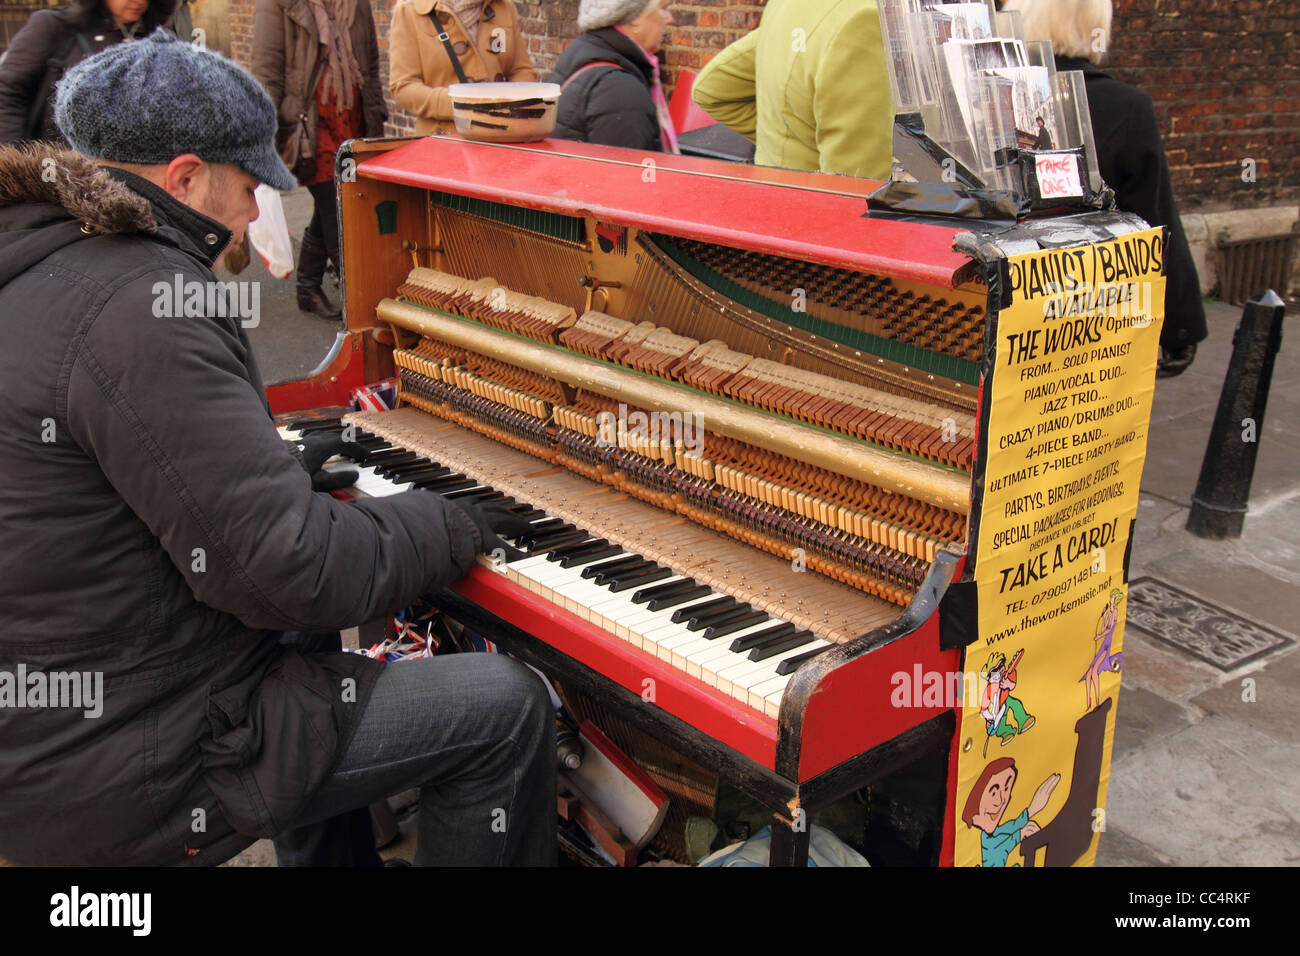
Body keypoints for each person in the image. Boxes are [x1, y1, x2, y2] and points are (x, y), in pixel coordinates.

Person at [0, 30, 555, 866]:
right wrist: (450, 523)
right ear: (184, 176)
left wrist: (267, 476)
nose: (259, 214)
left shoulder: (42, 260)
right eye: (250, 186)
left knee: (314, 655)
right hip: (128, 761)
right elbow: (289, 571)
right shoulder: (142, 300)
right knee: (503, 707)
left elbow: (134, 480)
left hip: (60, 717)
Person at [1004, 0, 1206, 377]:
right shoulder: (1127, 107)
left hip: (1004, 305)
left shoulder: (992, 96)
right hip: (1093, 316)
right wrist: (1180, 326)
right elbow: (1155, 217)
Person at [252, 0, 388, 321]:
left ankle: (307, 287)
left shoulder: (357, 4)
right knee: (339, 209)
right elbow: (267, 72)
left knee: (331, 206)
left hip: (351, 121)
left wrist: (375, 117)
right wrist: (263, 134)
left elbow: (369, 65)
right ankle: (359, 300)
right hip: (308, 127)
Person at [691, 0, 892, 179]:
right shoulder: (862, 17)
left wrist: (790, 140)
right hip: (817, 209)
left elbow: (712, 88)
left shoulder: (785, 5)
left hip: (772, 196)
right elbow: (861, 187)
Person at [0, 0, 179, 146]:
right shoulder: (54, 27)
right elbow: (8, 94)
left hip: (122, 179)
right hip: (54, 171)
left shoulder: (157, 41)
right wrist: (16, 168)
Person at [389, 0, 537, 136]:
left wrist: (509, 103)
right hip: (442, 143)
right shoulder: (409, 11)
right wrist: (461, 104)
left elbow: (521, 71)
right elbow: (403, 87)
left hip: (499, 139)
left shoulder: (504, 7)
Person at [550, 0, 678, 153]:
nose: (670, 18)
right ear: (635, 19)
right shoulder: (619, 90)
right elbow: (629, 172)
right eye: (663, 8)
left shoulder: (584, 51)